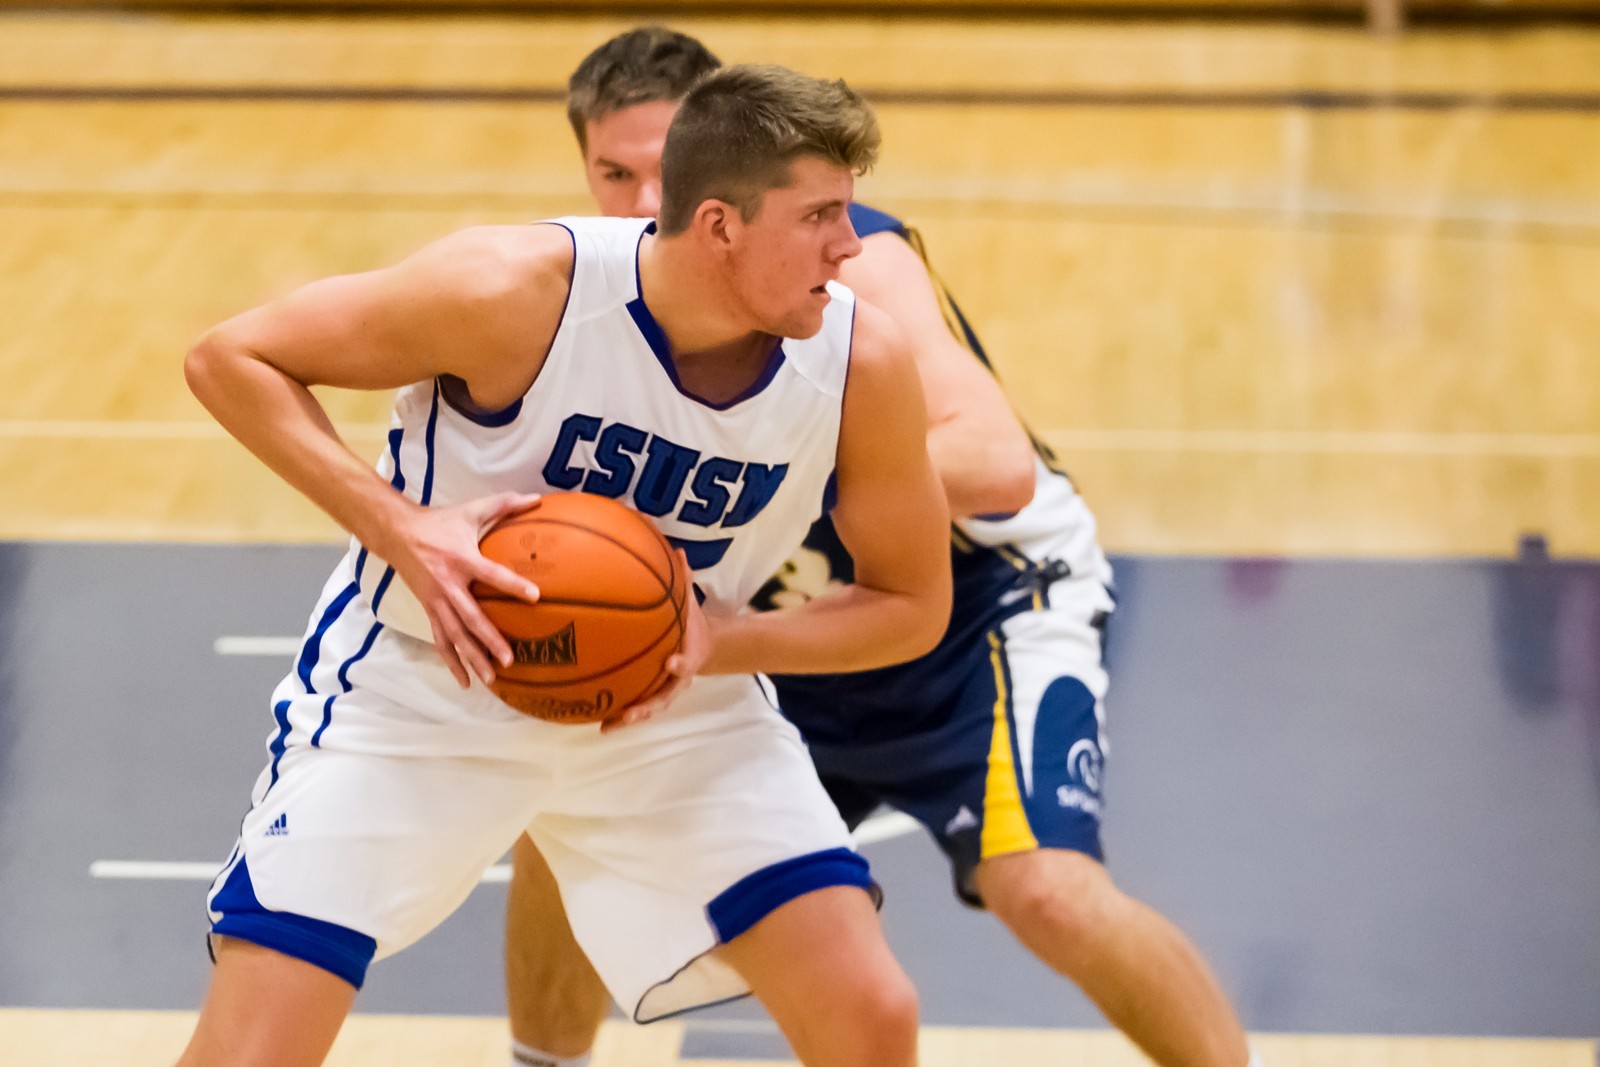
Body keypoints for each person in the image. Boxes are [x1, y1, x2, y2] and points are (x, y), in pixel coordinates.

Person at [503, 27, 1257, 1067]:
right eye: (612, 173)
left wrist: (772, 476)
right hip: (785, 633)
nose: (643, 200)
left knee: (1046, 891)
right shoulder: (595, 291)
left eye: (665, 165)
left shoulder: (850, 255)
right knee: (564, 806)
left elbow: (993, 460)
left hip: (979, 610)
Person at [175, 62, 954, 1067]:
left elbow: (910, 603)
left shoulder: (860, 361)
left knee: (871, 1013)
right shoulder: (512, 290)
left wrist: (715, 641)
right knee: (255, 1049)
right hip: (429, 690)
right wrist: (403, 526)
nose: (851, 245)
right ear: (719, 224)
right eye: (820, 217)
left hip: (672, 705)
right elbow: (231, 358)